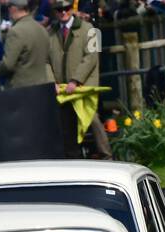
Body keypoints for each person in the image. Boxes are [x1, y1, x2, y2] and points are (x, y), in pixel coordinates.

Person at [48, 0, 111, 158]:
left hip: (83, 87)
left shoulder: (89, 29)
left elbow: (92, 57)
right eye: (59, 9)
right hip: (61, 89)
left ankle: (107, 156)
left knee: (92, 119)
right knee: (66, 123)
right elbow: (45, 61)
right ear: (55, 12)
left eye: (66, 8)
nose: (63, 12)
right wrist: (53, 82)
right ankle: (73, 159)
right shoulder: (49, 33)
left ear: (71, 9)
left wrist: (76, 80)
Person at [0, 0, 55, 87]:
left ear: (13, 9)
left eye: (9, 8)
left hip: (22, 90)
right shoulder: (41, 29)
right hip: (43, 88)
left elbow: (8, 65)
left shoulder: (15, 31)